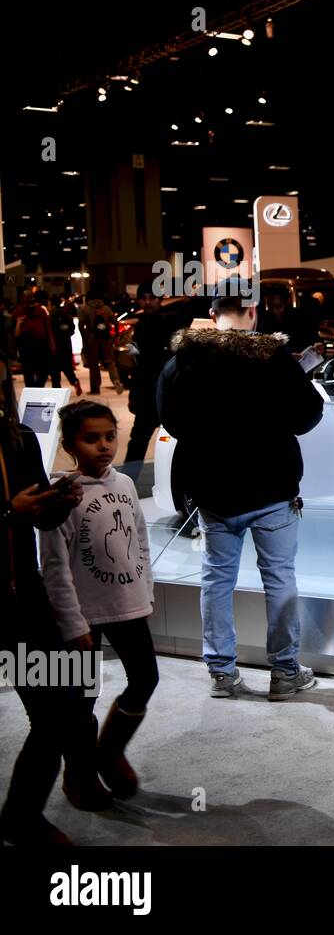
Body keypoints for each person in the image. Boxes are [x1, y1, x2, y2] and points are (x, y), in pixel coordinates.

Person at [157, 293, 324, 699]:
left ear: (212, 316)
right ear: (253, 312)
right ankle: (284, 673)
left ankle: (222, 674)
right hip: (272, 487)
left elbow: (171, 421)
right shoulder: (274, 359)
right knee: (280, 579)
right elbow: (308, 414)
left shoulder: (182, 363)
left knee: (216, 580)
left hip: (213, 492)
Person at [40, 401, 157, 802]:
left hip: (127, 605)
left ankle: (108, 754)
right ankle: (79, 777)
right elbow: (55, 567)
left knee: (146, 678)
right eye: (91, 439)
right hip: (83, 617)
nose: (104, 446)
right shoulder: (61, 496)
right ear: (70, 444)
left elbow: (140, 541)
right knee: (78, 700)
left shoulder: (124, 484)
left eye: (109, 436)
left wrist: (146, 592)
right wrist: (73, 624)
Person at [0, 349, 86, 845]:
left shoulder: (20, 439)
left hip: (25, 598)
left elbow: (34, 516)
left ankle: (22, 814)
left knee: (65, 707)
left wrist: (57, 505)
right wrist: (9, 513)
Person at [123, 290, 181, 469]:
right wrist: (133, 394)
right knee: (138, 442)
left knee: (175, 444)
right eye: (143, 298)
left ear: (159, 300)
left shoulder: (171, 322)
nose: (147, 302)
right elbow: (139, 368)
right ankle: (128, 486)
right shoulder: (139, 326)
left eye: (152, 298)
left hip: (169, 394)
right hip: (146, 394)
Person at [80, 293, 123, 395]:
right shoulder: (106, 308)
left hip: (92, 340)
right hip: (106, 339)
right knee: (110, 362)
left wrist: (84, 339)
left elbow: (80, 325)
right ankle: (116, 381)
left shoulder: (85, 309)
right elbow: (116, 322)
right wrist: (115, 336)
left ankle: (95, 388)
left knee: (94, 365)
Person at [13, 291, 56, 389]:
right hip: (26, 344)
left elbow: (47, 328)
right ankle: (32, 390)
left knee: (44, 370)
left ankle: (37, 388)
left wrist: (52, 343)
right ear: (22, 298)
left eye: (30, 297)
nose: (29, 299)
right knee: (28, 372)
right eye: (26, 297)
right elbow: (14, 333)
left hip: (40, 343)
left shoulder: (40, 310)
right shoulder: (18, 311)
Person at [48, 294, 82, 395]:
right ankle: (74, 381)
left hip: (54, 346)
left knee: (55, 371)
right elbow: (72, 330)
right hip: (66, 344)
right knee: (67, 368)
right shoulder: (66, 315)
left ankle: (57, 391)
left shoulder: (50, 316)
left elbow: (48, 331)